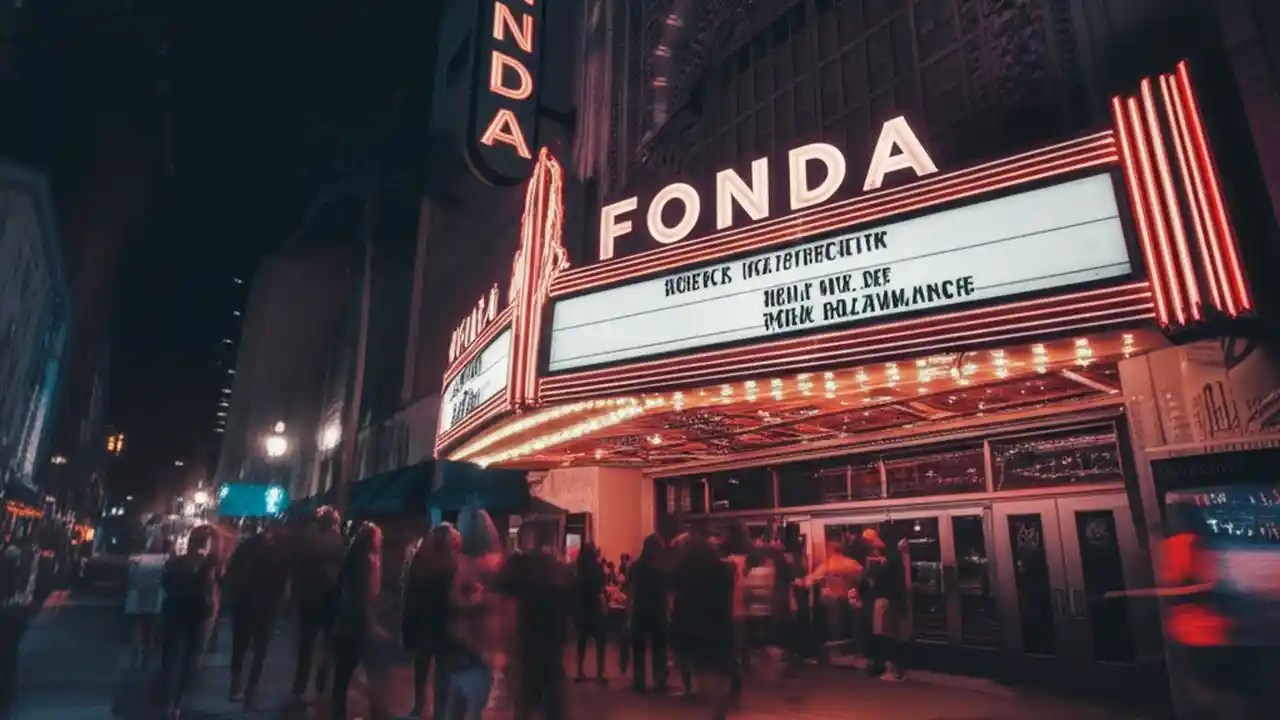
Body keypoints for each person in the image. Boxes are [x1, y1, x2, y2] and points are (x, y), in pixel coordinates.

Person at [499, 524, 573, 720]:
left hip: (527, 652)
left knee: (525, 706)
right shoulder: (556, 575)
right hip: (550, 655)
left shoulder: (518, 571)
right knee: (552, 706)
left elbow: (509, 610)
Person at [446, 507, 506, 720]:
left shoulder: (457, 567)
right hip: (478, 655)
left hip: (464, 654)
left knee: (459, 706)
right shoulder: (488, 568)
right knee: (475, 708)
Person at [670, 528, 735, 720]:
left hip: (696, 629)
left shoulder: (683, 571)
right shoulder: (724, 570)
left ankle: (711, 708)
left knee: (704, 672)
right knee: (719, 674)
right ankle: (718, 712)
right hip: (720, 627)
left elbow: (680, 602)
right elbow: (727, 599)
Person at [225, 524, 293, 708]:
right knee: (260, 649)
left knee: (239, 646)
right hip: (268, 606)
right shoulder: (282, 554)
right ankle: (252, 686)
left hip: (245, 602)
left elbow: (231, 572)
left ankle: (236, 682)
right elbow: (286, 584)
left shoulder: (246, 548)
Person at [331, 521, 391, 720]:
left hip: (352, 622)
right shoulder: (364, 562)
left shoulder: (359, 560)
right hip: (357, 623)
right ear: (370, 541)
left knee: (346, 672)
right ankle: (375, 711)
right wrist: (371, 621)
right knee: (366, 669)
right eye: (378, 537)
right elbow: (364, 595)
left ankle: (340, 711)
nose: (381, 540)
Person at [401, 523, 461, 720]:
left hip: (424, 624)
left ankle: (419, 707)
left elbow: (410, 594)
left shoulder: (420, 560)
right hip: (443, 626)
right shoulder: (453, 565)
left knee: (422, 668)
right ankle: (438, 712)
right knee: (442, 673)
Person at [159, 525, 218, 720]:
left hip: (175, 611)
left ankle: (167, 699)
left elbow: (165, 583)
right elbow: (212, 589)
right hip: (197, 614)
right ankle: (177, 702)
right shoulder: (208, 563)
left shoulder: (176, 562)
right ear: (206, 543)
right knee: (190, 659)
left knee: (171, 657)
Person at [291, 505, 347, 702]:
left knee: (306, 644)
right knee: (328, 641)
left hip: (310, 596)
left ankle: (300, 685)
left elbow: (298, 568)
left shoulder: (309, 540)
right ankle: (322, 676)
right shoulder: (338, 542)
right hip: (330, 595)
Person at [802, 536, 863, 660]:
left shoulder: (828, 564)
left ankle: (834, 650)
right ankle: (851, 648)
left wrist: (805, 582)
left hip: (832, 598)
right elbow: (861, 577)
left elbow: (810, 580)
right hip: (850, 597)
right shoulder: (852, 563)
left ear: (832, 551)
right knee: (851, 623)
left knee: (834, 624)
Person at [626, 534, 668, 692]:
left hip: (640, 610)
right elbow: (668, 590)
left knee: (639, 649)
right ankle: (660, 679)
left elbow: (631, 590)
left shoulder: (636, 567)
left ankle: (639, 679)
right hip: (658, 610)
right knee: (659, 648)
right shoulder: (662, 567)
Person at [124, 537, 170, 669]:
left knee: (141, 627)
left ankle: (139, 652)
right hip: (154, 599)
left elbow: (131, 578)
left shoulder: (138, 559)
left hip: (140, 598)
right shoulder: (164, 560)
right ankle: (146, 652)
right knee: (150, 628)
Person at [573, 543, 608, 684]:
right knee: (600, 640)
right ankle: (600, 672)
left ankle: (579, 671)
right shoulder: (597, 568)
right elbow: (601, 584)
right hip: (595, 607)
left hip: (582, 607)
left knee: (581, 640)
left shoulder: (578, 569)